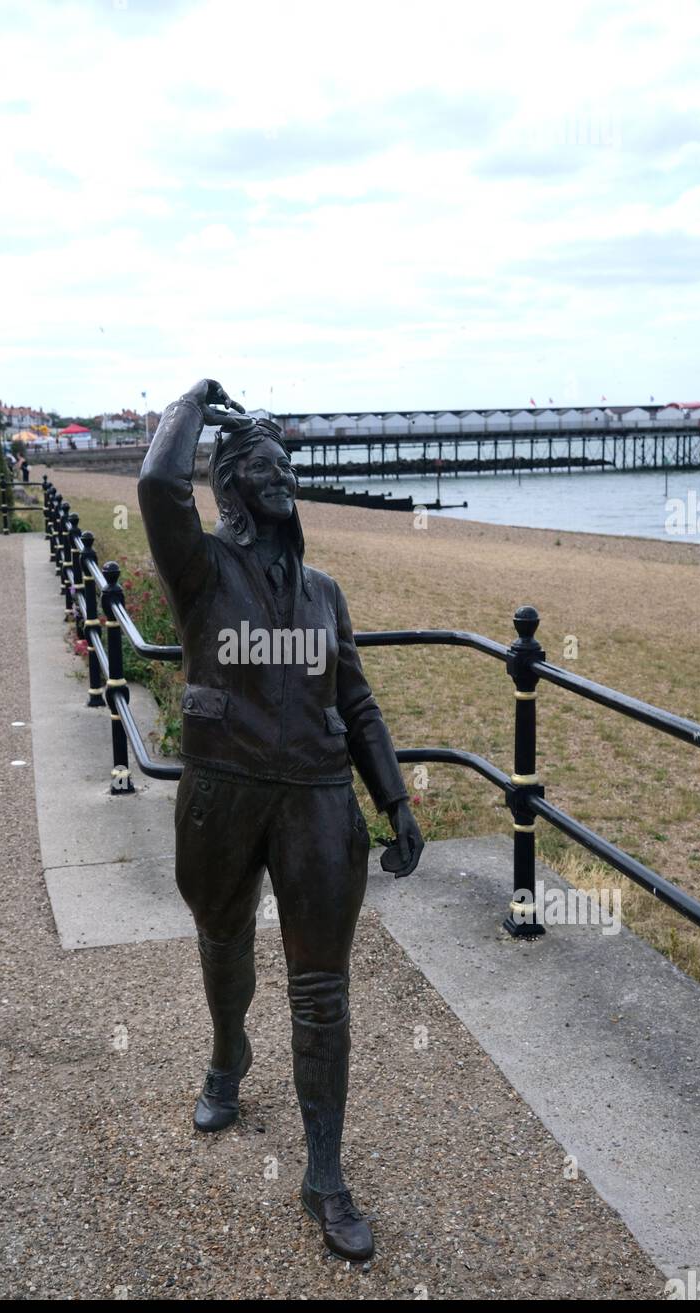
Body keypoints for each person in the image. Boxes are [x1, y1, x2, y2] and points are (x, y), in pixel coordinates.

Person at [137, 379, 424, 1262]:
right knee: (225, 944)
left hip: (317, 798)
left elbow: (357, 701)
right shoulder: (200, 570)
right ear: (231, 484)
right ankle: (229, 1056)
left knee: (322, 991)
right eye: (263, 465)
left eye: (287, 464)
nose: (283, 476)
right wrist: (193, 401)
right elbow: (157, 485)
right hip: (224, 794)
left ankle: (324, 1175)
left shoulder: (325, 593)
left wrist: (395, 799)